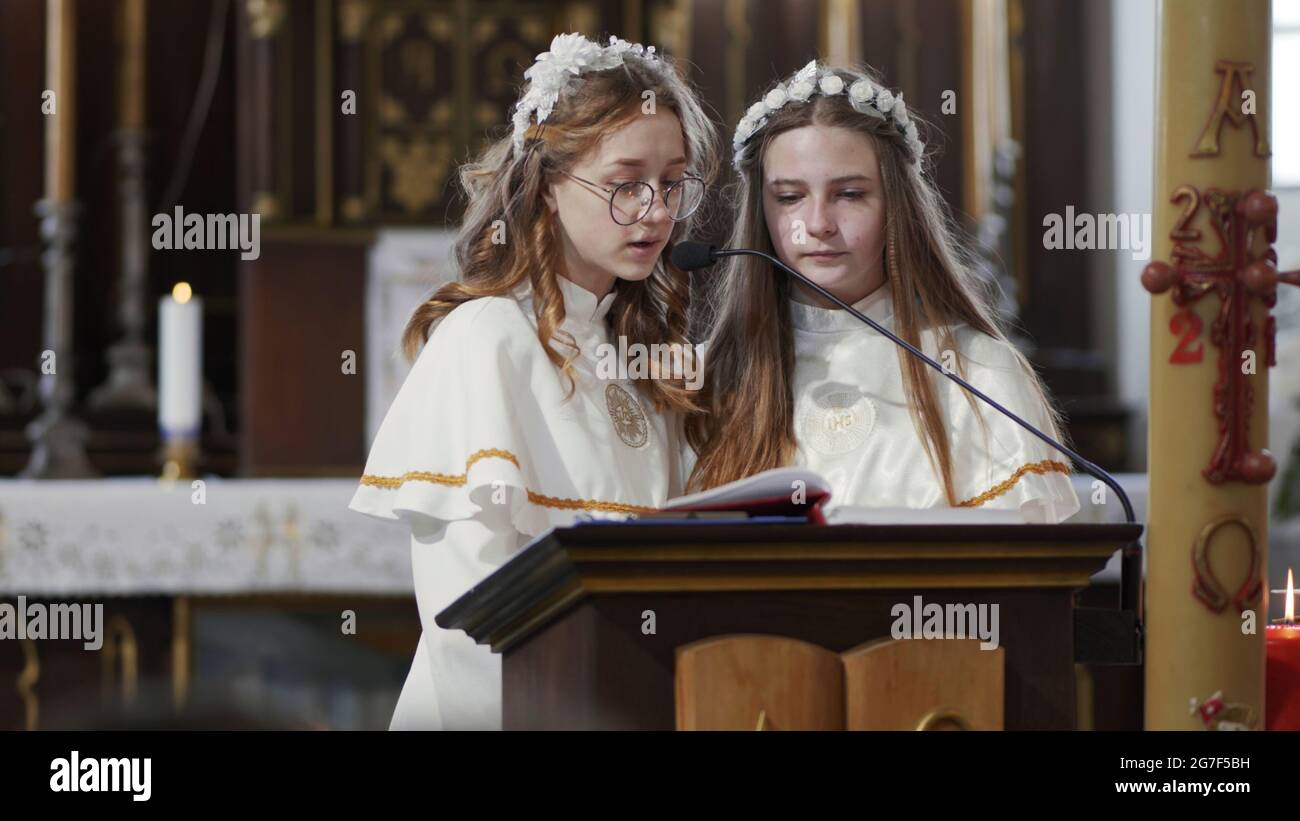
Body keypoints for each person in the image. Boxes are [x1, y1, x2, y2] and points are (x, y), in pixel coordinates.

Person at [349, 33, 718, 729]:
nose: (657, 210)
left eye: (673, 183)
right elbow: (468, 623)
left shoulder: (644, 352)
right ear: (549, 183)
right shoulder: (485, 338)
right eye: (625, 182)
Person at [685, 61, 1078, 524]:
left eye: (849, 194)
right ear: (761, 213)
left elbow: (1023, 579)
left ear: (896, 203)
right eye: (790, 197)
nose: (818, 224)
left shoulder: (978, 373)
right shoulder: (704, 383)